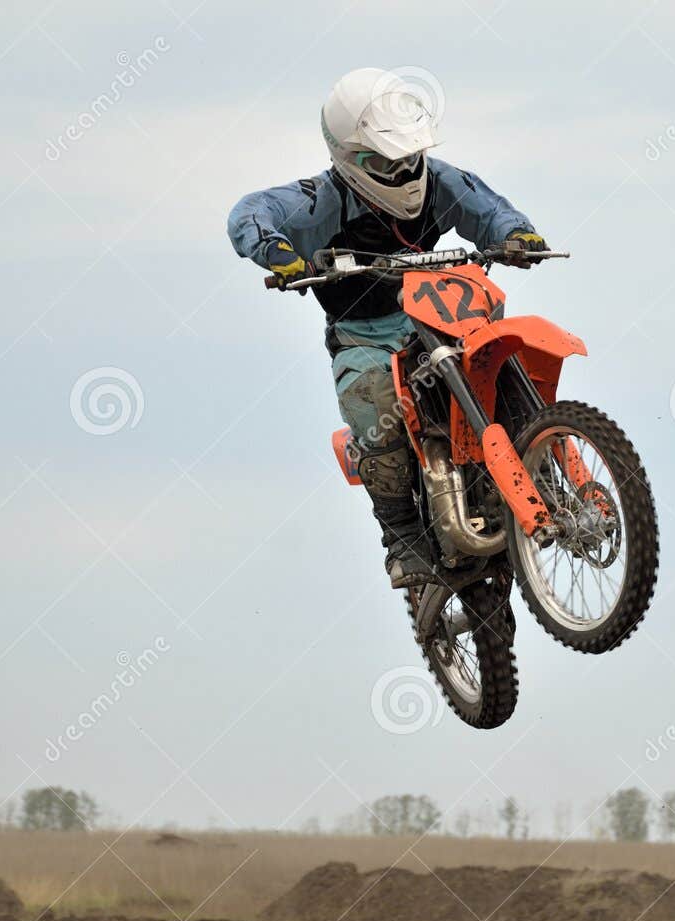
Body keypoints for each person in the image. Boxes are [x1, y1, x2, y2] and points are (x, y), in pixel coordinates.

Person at [227, 68, 549, 588]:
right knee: (375, 404)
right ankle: (403, 539)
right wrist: (276, 251)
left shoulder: (440, 181)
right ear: (349, 158)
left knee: (506, 353)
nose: (402, 174)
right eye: (384, 164)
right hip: (367, 337)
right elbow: (250, 213)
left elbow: (486, 207)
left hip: (448, 319)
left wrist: (517, 233)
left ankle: (546, 454)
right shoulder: (321, 199)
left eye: (408, 159)